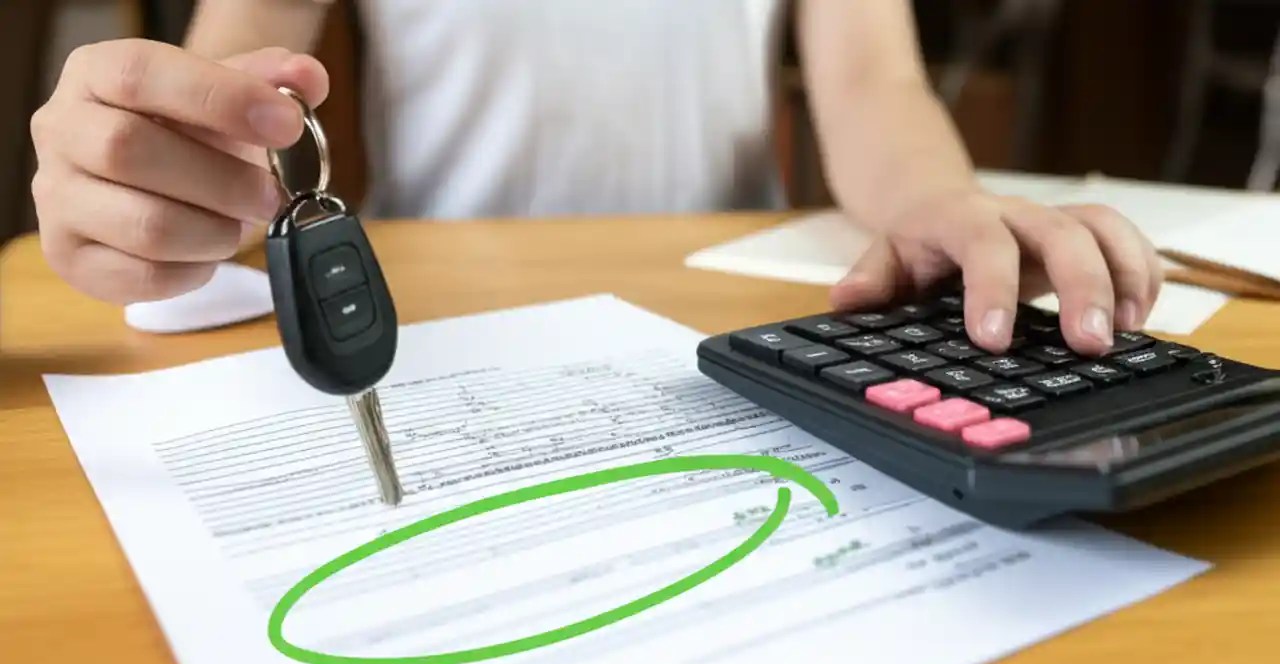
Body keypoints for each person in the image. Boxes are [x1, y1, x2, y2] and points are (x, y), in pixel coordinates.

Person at [29, 0, 1162, 356]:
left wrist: (938, 204)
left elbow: (869, 80)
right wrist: (138, 172)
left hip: (721, 320)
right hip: (447, 329)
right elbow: (223, 83)